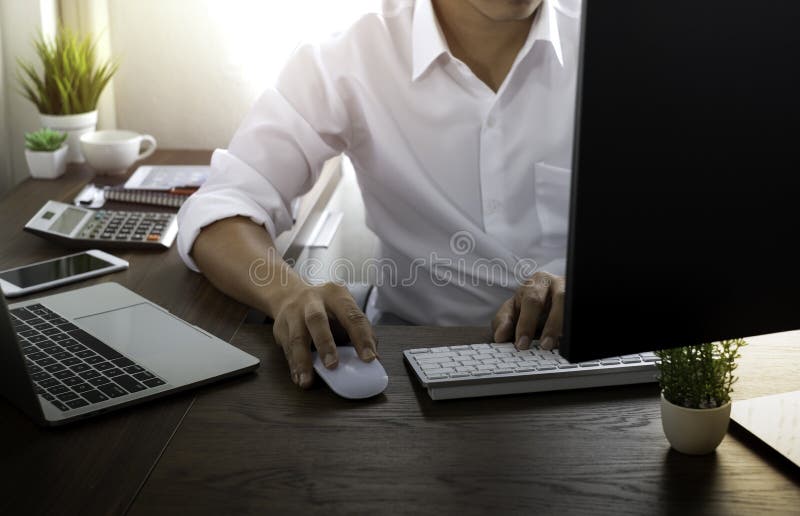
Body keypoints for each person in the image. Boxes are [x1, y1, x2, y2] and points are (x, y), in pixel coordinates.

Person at [177, 0, 581, 388]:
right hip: (415, 352)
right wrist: (287, 294)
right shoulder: (348, 55)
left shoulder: (607, 37)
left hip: (584, 348)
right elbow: (223, 205)